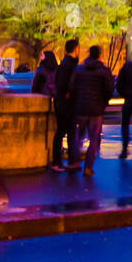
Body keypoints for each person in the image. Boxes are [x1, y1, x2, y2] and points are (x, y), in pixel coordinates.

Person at [67, 45, 113, 177]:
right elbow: (109, 89)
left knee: (78, 137)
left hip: (81, 107)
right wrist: (103, 102)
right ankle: (88, 167)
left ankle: (74, 162)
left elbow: (71, 87)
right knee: (93, 138)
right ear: (99, 55)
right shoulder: (103, 71)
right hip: (96, 109)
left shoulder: (79, 69)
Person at [50, 39, 79, 171]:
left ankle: (69, 161)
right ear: (76, 49)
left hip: (63, 102)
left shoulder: (64, 64)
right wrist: (69, 95)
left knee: (67, 132)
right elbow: (65, 86)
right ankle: (59, 162)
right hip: (66, 104)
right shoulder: (70, 66)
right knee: (64, 131)